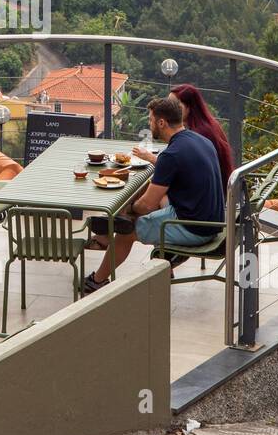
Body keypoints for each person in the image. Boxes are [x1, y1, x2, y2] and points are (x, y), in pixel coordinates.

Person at [82, 96, 224, 293]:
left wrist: (129, 210)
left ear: (162, 122)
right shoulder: (200, 141)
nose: (150, 124)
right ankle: (109, 232)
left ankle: (96, 280)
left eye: (150, 120)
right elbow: (178, 169)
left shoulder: (171, 154)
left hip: (194, 229)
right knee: (143, 194)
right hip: (212, 219)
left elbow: (147, 205)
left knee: (127, 231)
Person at [133, 83, 235, 192]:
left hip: (204, 195)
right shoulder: (202, 125)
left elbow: (182, 169)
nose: (170, 108)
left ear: (189, 107)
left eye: (175, 105)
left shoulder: (199, 133)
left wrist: (150, 158)